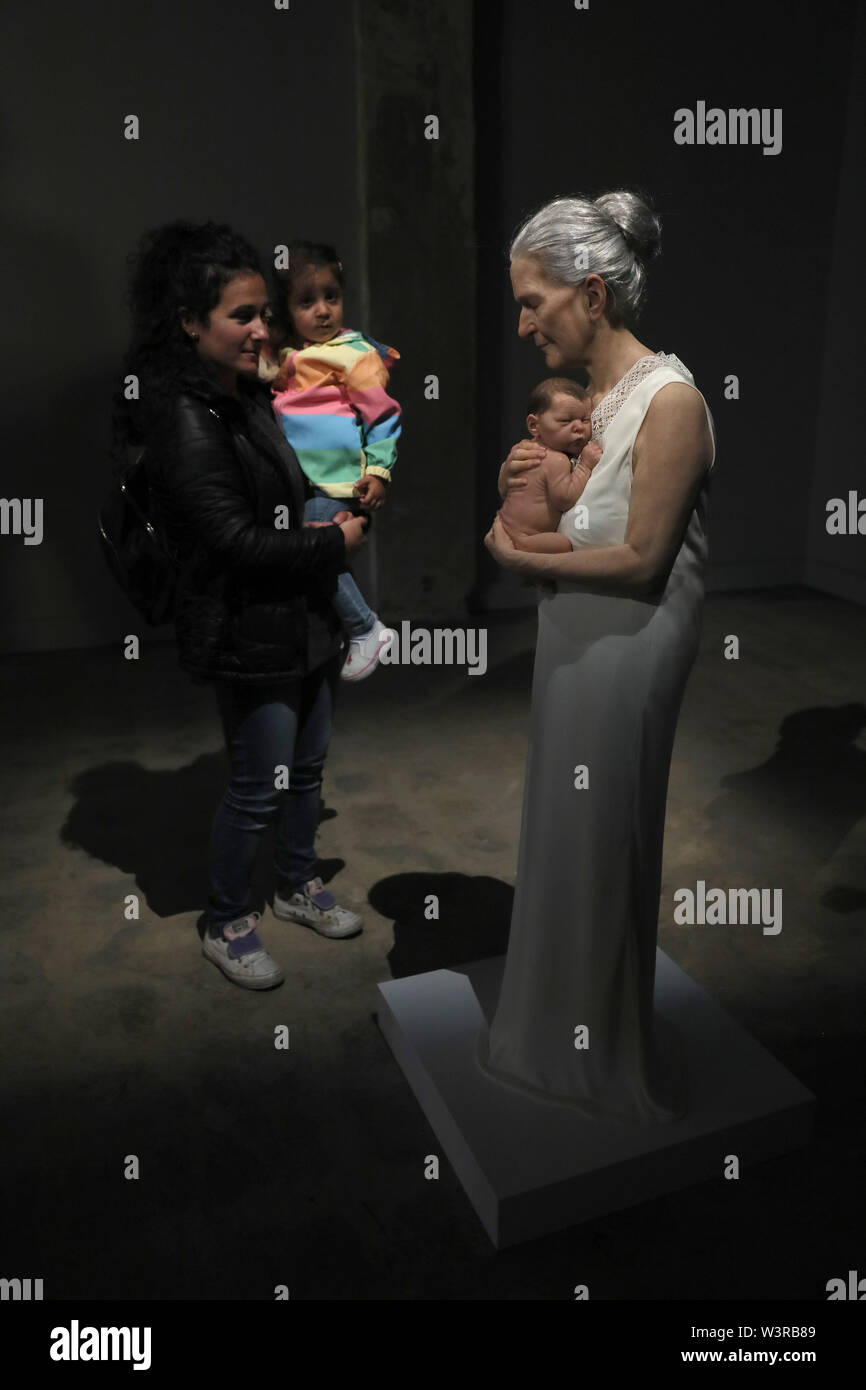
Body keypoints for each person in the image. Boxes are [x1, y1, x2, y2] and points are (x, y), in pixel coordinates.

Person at [479, 190, 717, 1124]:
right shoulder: (597, 403)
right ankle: (547, 1035)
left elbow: (646, 559)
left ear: (591, 293)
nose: (525, 322)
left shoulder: (672, 401)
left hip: (631, 644)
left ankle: (601, 1053)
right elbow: (582, 528)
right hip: (576, 635)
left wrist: (510, 554)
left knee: (606, 835)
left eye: (533, 301)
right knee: (563, 832)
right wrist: (526, 503)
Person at [109, 221, 370, 991]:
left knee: (310, 769)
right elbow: (233, 544)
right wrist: (335, 546)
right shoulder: (187, 421)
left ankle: (295, 886)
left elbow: (304, 486)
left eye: (265, 312)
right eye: (243, 316)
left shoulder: (250, 392)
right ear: (191, 323)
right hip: (248, 628)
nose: (264, 329)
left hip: (304, 617)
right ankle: (225, 920)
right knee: (260, 784)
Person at [260, 240, 400, 681]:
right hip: (304, 482)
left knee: (317, 551)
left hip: (339, 482)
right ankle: (346, 629)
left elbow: (384, 417)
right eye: (306, 301)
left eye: (331, 298)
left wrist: (378, 472)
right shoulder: (290, 355)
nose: (322, 310)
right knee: (314, 558)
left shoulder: (355, 355)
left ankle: (365, 629)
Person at [498, 377, 603, 553]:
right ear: (534, 425)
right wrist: (585, 466)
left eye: (585, 420)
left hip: (506, 526)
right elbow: (564, 500)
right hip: (526, 537)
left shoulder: (522, 449)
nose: (579, 427)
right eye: (565, 421)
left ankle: (535, 580)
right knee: (564, 544)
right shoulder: (556, 460)